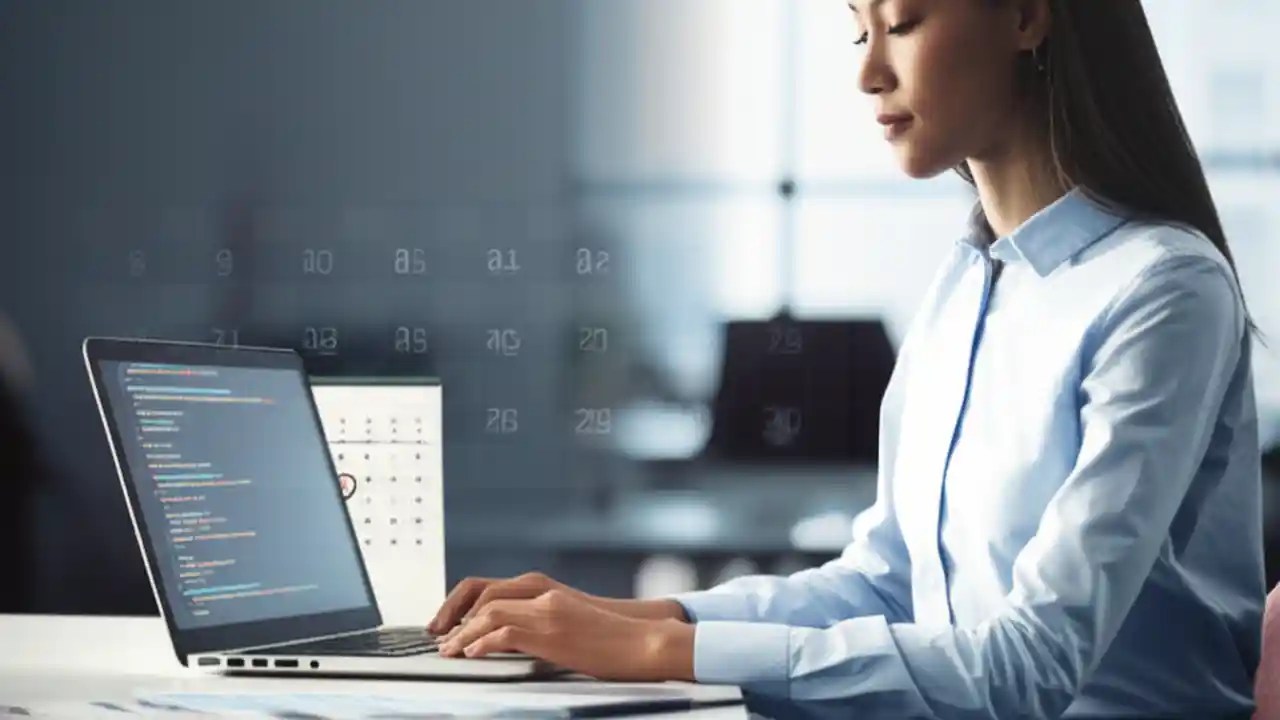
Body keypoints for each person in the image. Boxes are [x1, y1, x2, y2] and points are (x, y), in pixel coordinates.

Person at [428, 0, 1267, 717]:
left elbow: (1027, 670)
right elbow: (885, 582)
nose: (869, 74)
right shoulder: (965, 284)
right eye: (857, 31)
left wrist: (657, 648)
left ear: (1025, 16)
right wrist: (627, 615)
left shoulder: (1165, 289)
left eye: (901, 22)